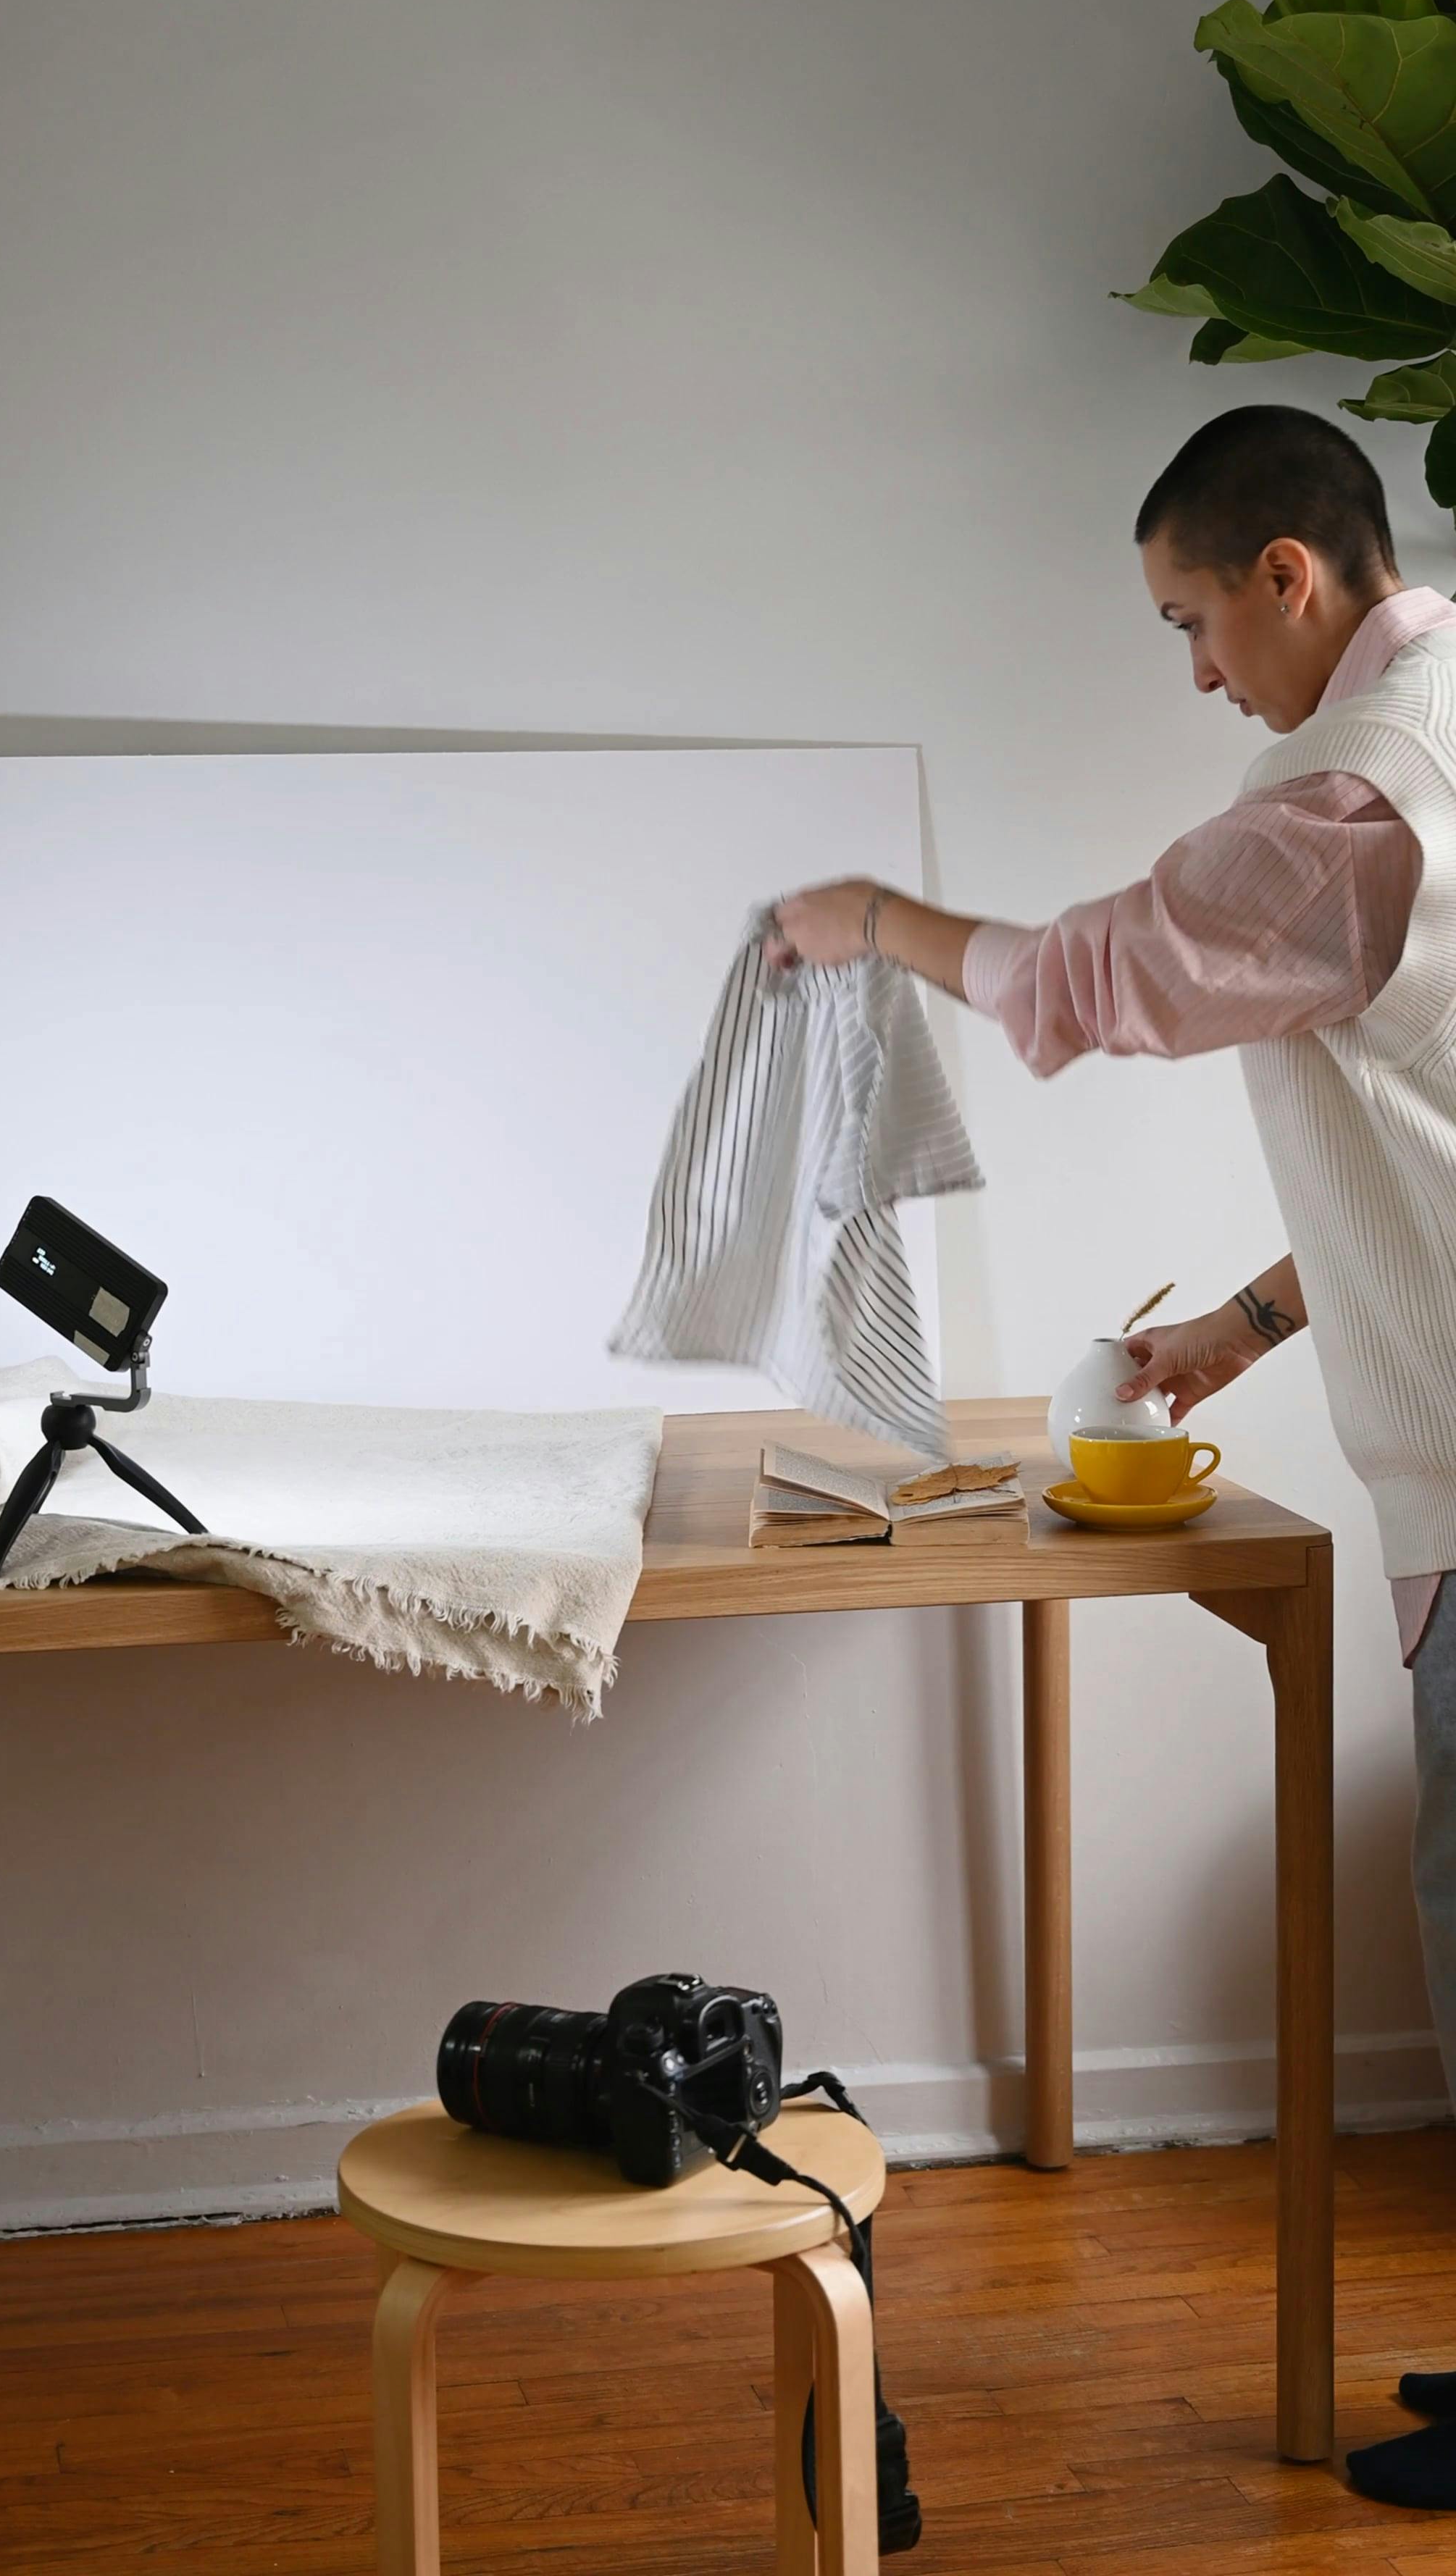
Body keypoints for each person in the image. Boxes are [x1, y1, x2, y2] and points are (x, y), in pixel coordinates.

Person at [765, 402, 1456, 2511]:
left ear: (1291, 574)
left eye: (1193, 620)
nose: (1195, 677)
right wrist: (1248, 1324)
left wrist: (877, 917)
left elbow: (1108, 977)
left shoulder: (1351, 800)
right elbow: (1428, 1135)